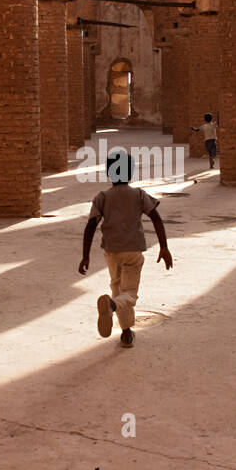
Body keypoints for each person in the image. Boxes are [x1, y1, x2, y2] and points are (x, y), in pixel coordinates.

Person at [78, 147, 173, 348]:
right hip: (133, 251)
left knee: (117, 287)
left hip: (111, 251)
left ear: (109, 173)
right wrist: (163, 247)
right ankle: (112, 308)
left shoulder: (102, 197)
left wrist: (85, 256)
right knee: (129, 293)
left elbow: (90, 226)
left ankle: (126, 332)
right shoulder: (138, 195)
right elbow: (155, 217)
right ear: (130, 173)